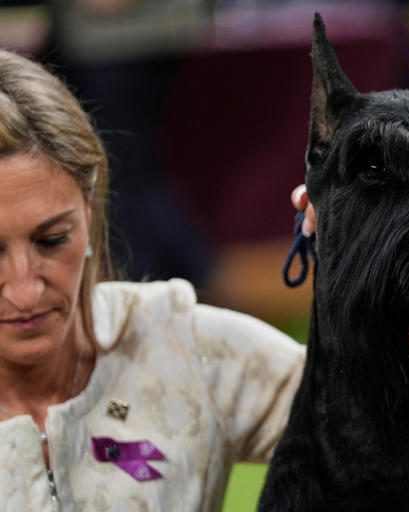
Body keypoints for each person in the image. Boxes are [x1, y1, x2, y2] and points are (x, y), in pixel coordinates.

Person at [0, 48, 306, 511]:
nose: (25, 289)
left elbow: (406, 422)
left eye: (52, 241)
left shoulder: (178, 347)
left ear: (88, 207)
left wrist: (367, 240)